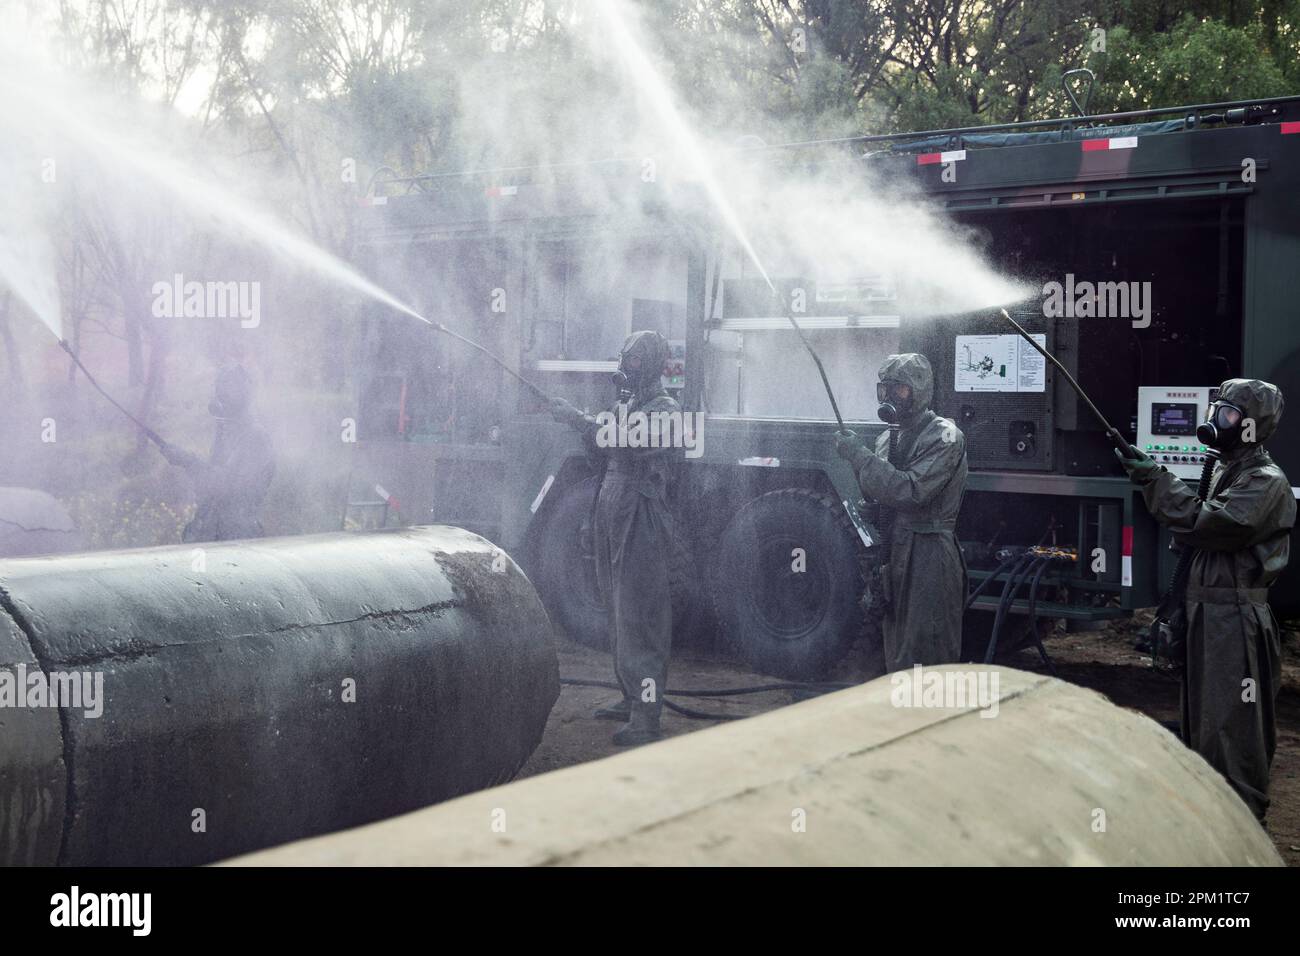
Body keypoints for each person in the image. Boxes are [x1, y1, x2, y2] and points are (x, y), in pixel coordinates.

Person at [1115, 379, 1294, 820]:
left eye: (1230, 415)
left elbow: (1209, 524)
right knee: (1203, 728)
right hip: (1207, 616)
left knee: (1231, 731)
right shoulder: (1230, 471)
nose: (1217, 421)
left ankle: (1241, 829)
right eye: (1217, 410)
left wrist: (1155, 478)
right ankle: (1212, 823)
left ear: (1252, 426)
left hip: (1231, 621)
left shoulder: (1264, 481)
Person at [550, 331, 680, 746]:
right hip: (613, 509)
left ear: (652, 364)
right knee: (617, 609)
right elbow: (605, 460)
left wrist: (578, 419)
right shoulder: (628, 406)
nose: (625, 367)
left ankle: (646, 718)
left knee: (639, 614)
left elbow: (624, 441)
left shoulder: (664, 409)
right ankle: (630, 699)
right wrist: (593, 520)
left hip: (640, 518)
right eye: (626, 359)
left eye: (634, 361)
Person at [834, 353, 968, 672]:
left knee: (926, 643)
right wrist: (876, 509)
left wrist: (859, 457)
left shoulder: (944, 434)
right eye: (885, 390)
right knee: (896, 643)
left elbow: (910, 491)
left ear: (920, 391)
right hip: (896, 550)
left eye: (901, 390)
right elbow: (888, 492)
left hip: (929, 553)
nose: (892, 397)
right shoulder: (886, 438)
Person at [159, 363, 276, 542]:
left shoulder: (255, 437)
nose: (221, 396)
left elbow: (227, 487)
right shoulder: (224, 433)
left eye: (227, 389)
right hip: (212, 533)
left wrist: (188, 461)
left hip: (238, 536)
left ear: (245, 394)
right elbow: (208, 489)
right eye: (219, 389)